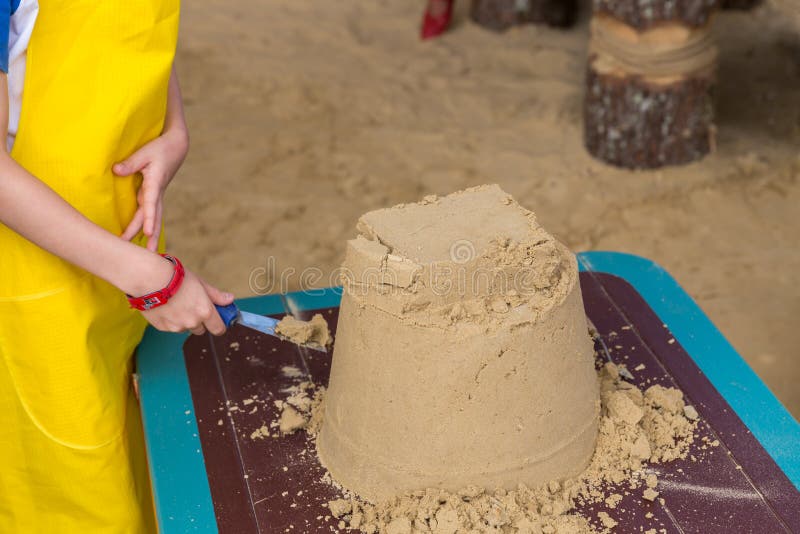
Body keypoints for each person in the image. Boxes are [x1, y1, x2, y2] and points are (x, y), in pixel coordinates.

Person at [0, 1, 233, 531]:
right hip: (32, 283)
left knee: (138, 455)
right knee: (78, 496)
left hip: (124, 249)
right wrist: (146, 279)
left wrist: (175, 129)